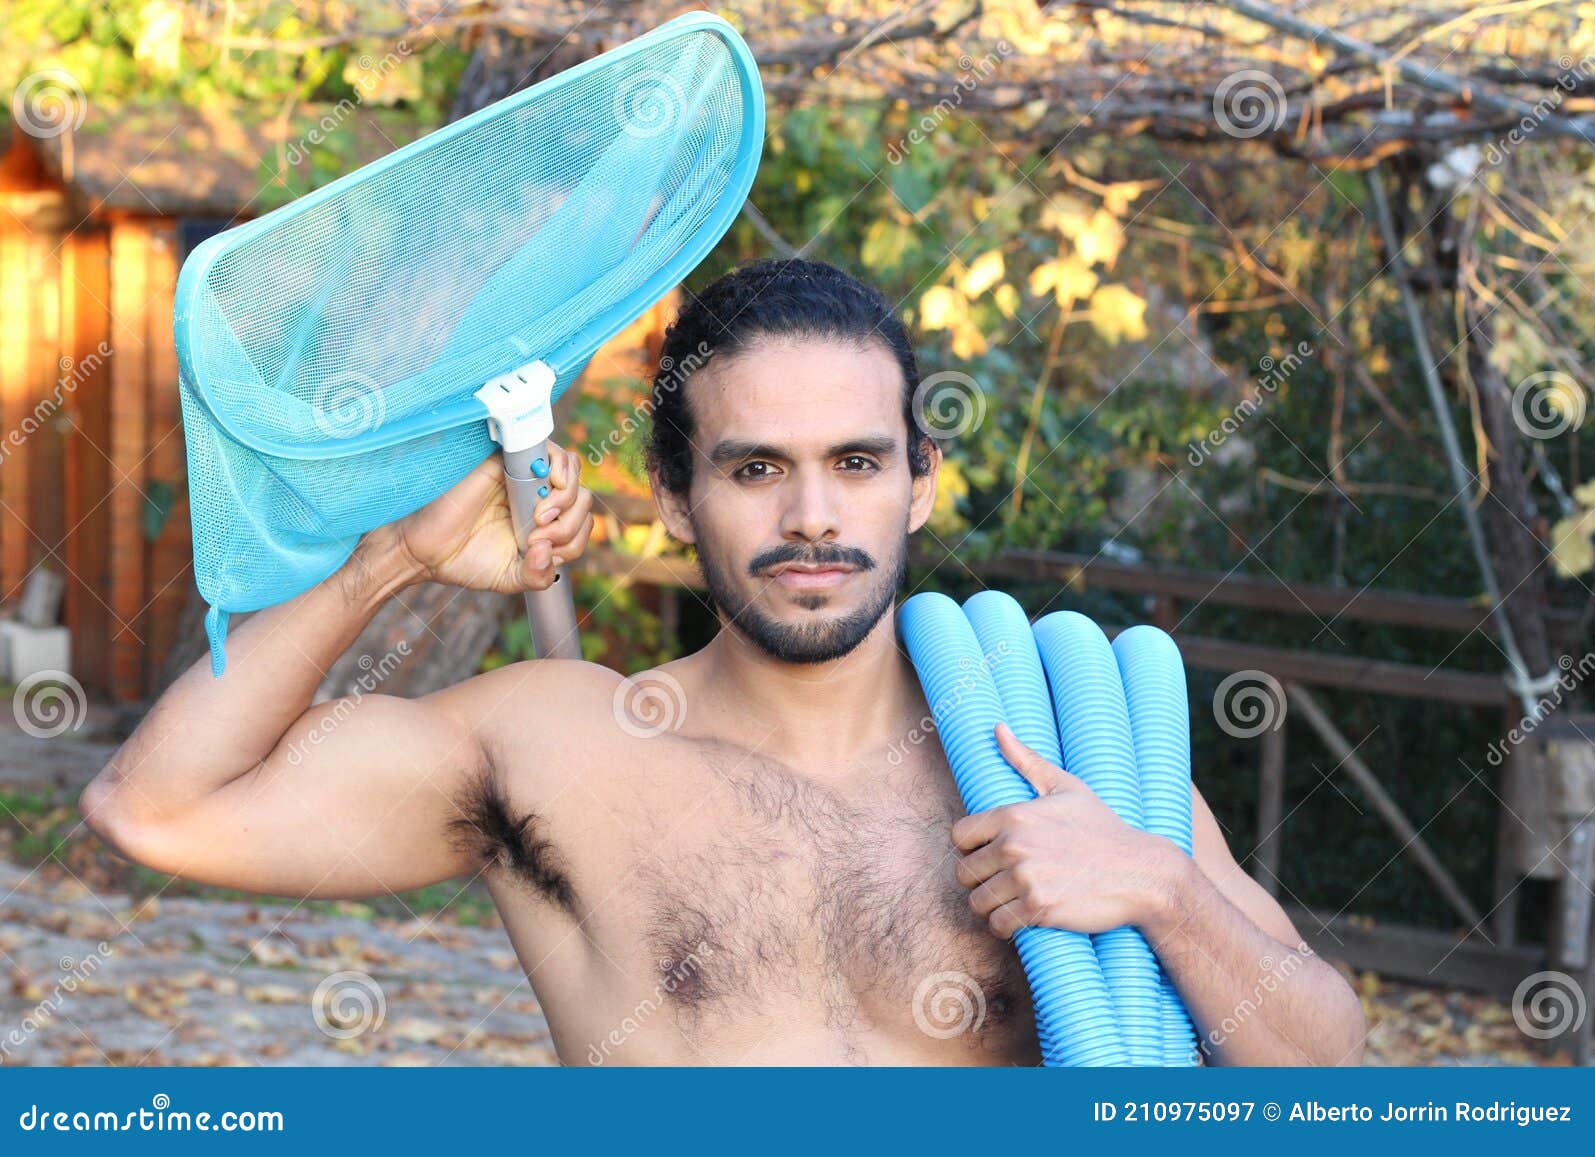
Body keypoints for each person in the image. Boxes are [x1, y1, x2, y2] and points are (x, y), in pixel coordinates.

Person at [82, 258, 1367, 1066]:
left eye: (856, 463)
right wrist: (389, 563)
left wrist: (1160, 891)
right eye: (756, 468)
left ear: (919, 484)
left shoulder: (1062, 750)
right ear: (675, 493)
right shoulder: (558, 744)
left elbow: (1333, 1078)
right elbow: (157, 804)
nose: (813, 515)